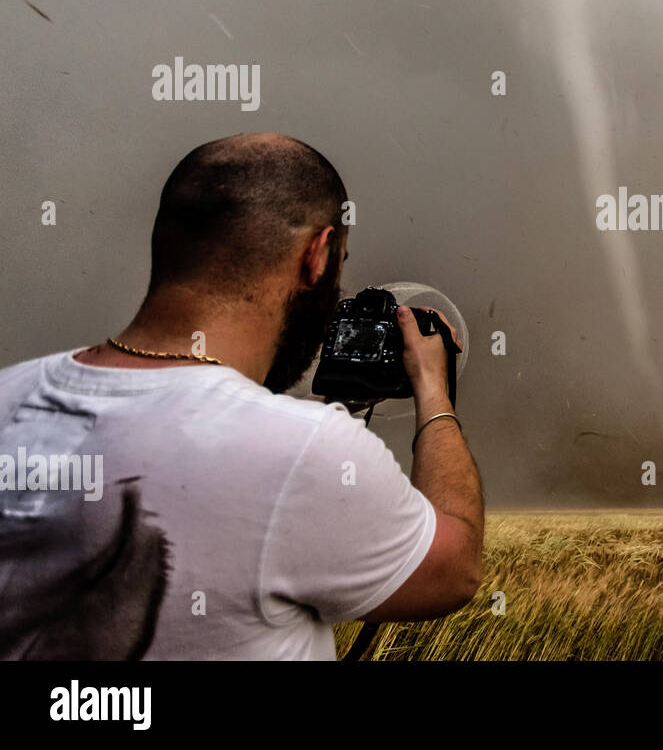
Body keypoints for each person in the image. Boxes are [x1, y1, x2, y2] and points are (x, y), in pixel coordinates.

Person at [0, 133, 483, 659]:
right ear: (316, 256)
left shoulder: (10, 395)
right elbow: (455, 569)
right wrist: (435, 393)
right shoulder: (308, 452)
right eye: (339, 264)